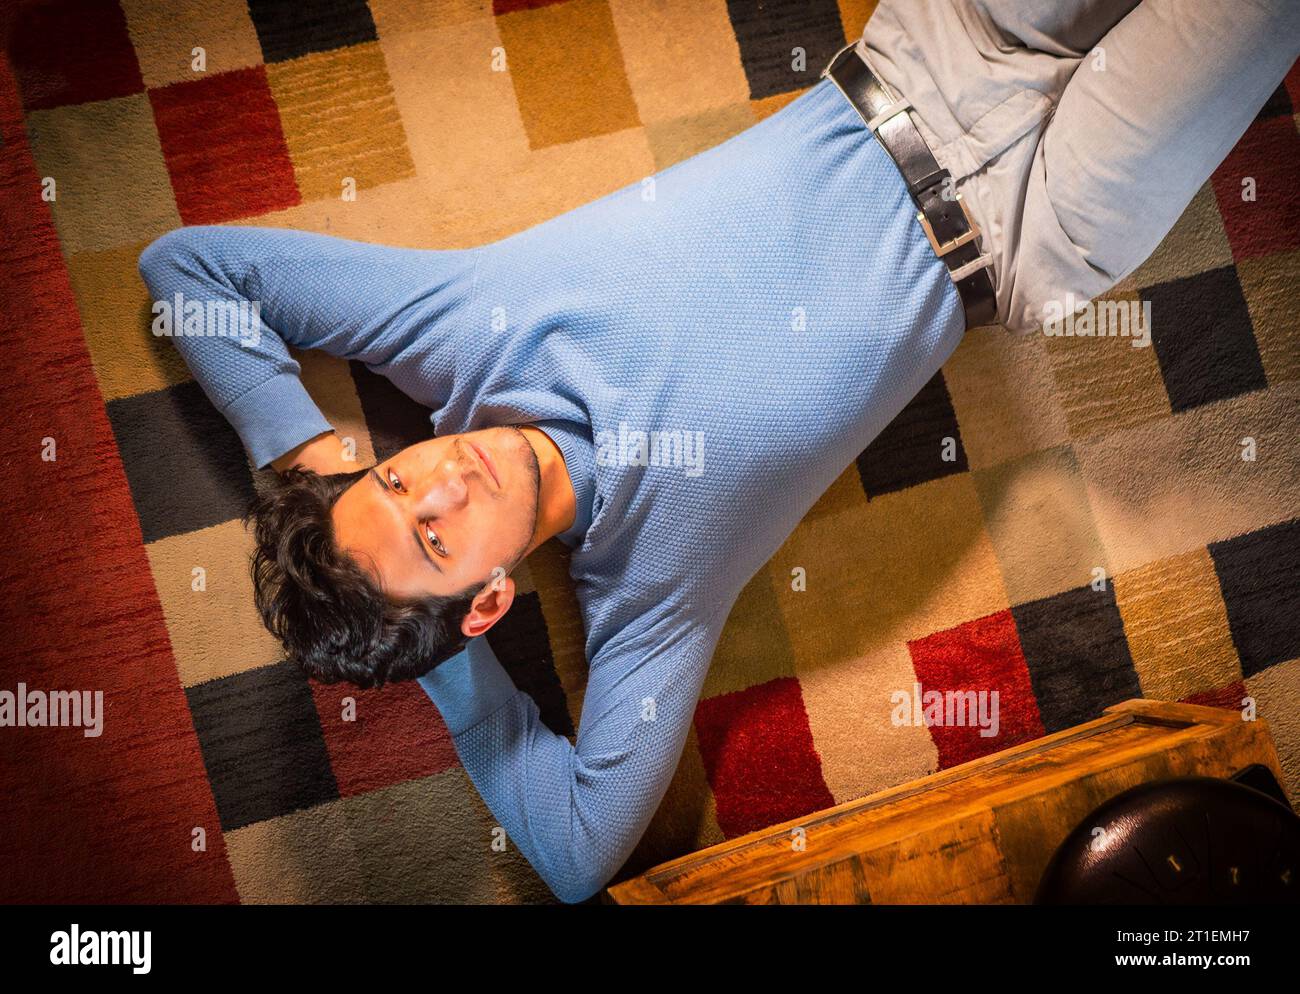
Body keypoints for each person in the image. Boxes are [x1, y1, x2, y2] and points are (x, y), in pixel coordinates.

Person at [137, 0, 1299, 903]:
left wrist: (299, 461)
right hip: (1034, 229)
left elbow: (184, 270)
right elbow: (577, 850)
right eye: (431, 534)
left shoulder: (455, 332)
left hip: (931, 50)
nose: (442, 474)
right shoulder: (649, 597)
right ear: (488, 602)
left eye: (394, 478)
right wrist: (434, 653)